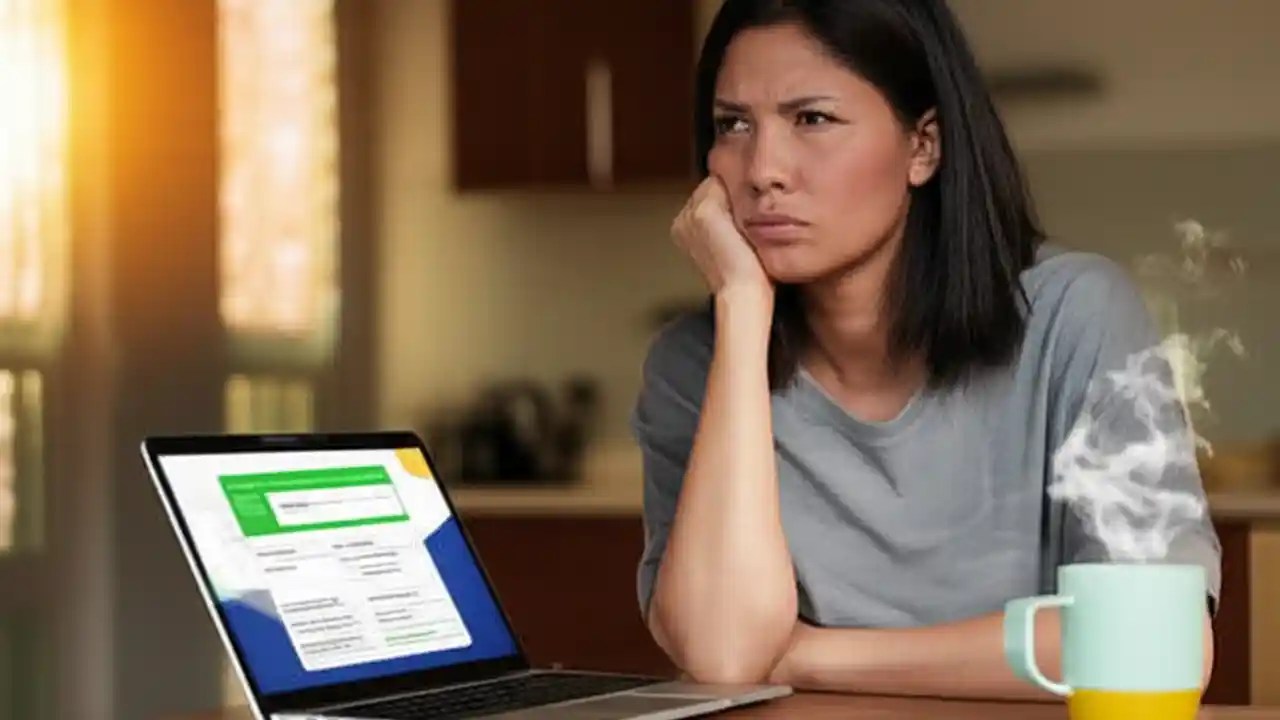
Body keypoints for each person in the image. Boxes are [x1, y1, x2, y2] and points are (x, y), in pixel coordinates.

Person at [630, 0, 1221, 701]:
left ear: (923, 147)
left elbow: (1156, 644)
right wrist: (741, 305)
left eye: (812, 119)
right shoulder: (695, 364)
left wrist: (808, 658)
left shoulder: (1076, 315)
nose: (763, 170)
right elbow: (724, 658)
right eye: (733, 125)